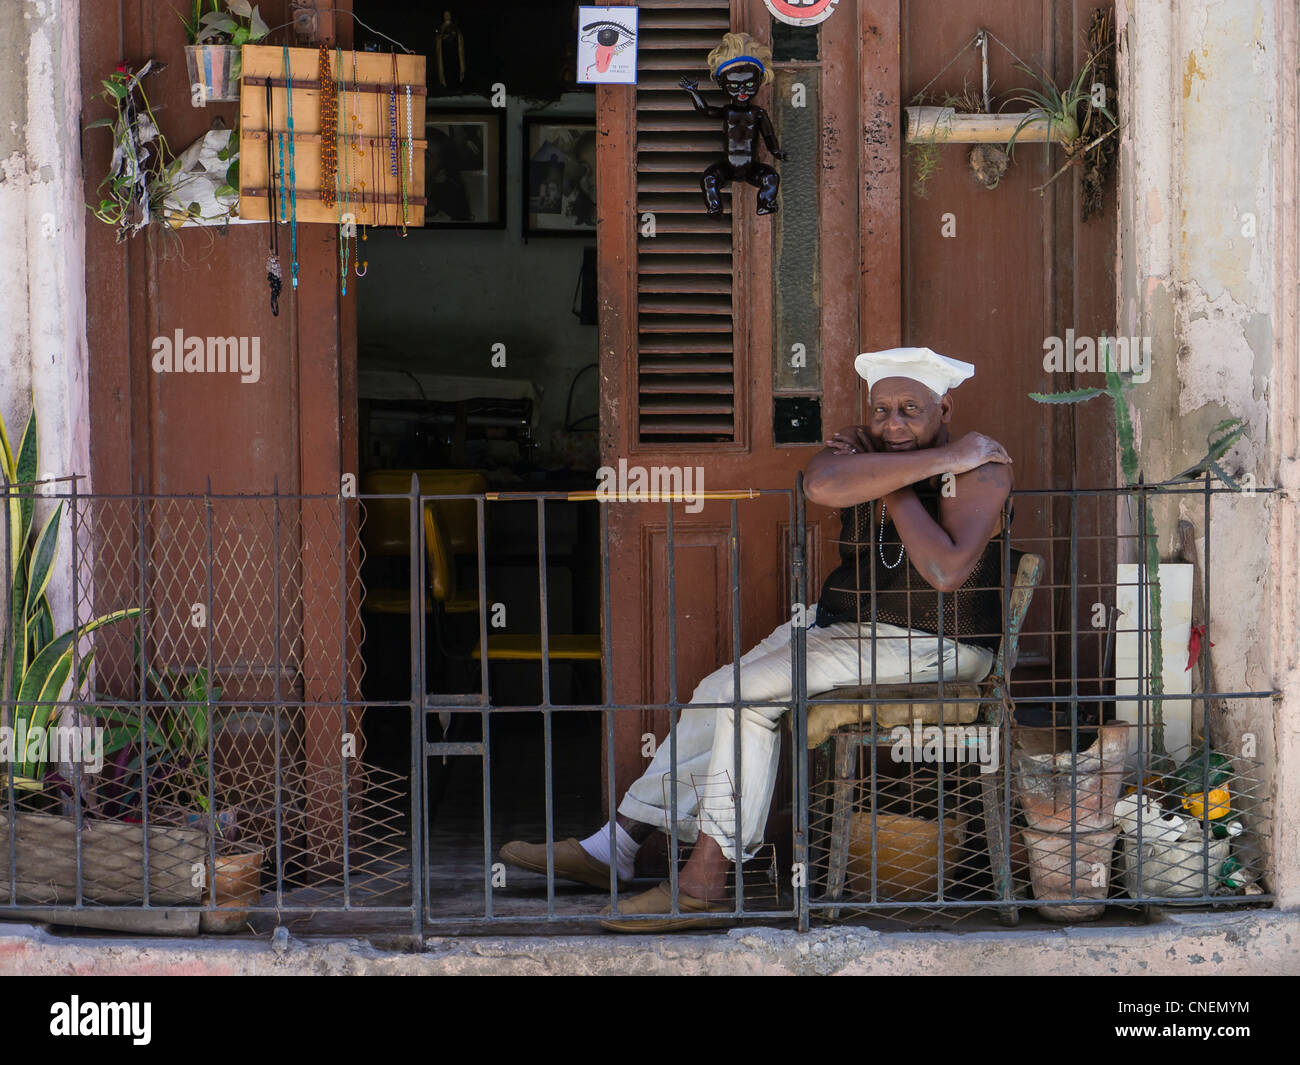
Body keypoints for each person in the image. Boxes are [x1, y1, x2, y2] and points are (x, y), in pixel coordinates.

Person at [499, 347, 1014, 931]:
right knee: (720, 688)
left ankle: (703, 882)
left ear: (945, 406)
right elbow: (820, 483)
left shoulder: (982, 468)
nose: (892, 424)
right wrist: (922, 460)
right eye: (881, 411)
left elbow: (944, 574)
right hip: (847, 625)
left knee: (748, 695)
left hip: (938, 642)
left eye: (910, 410)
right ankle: (614, 847)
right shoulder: (889, 454)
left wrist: (896, 481)